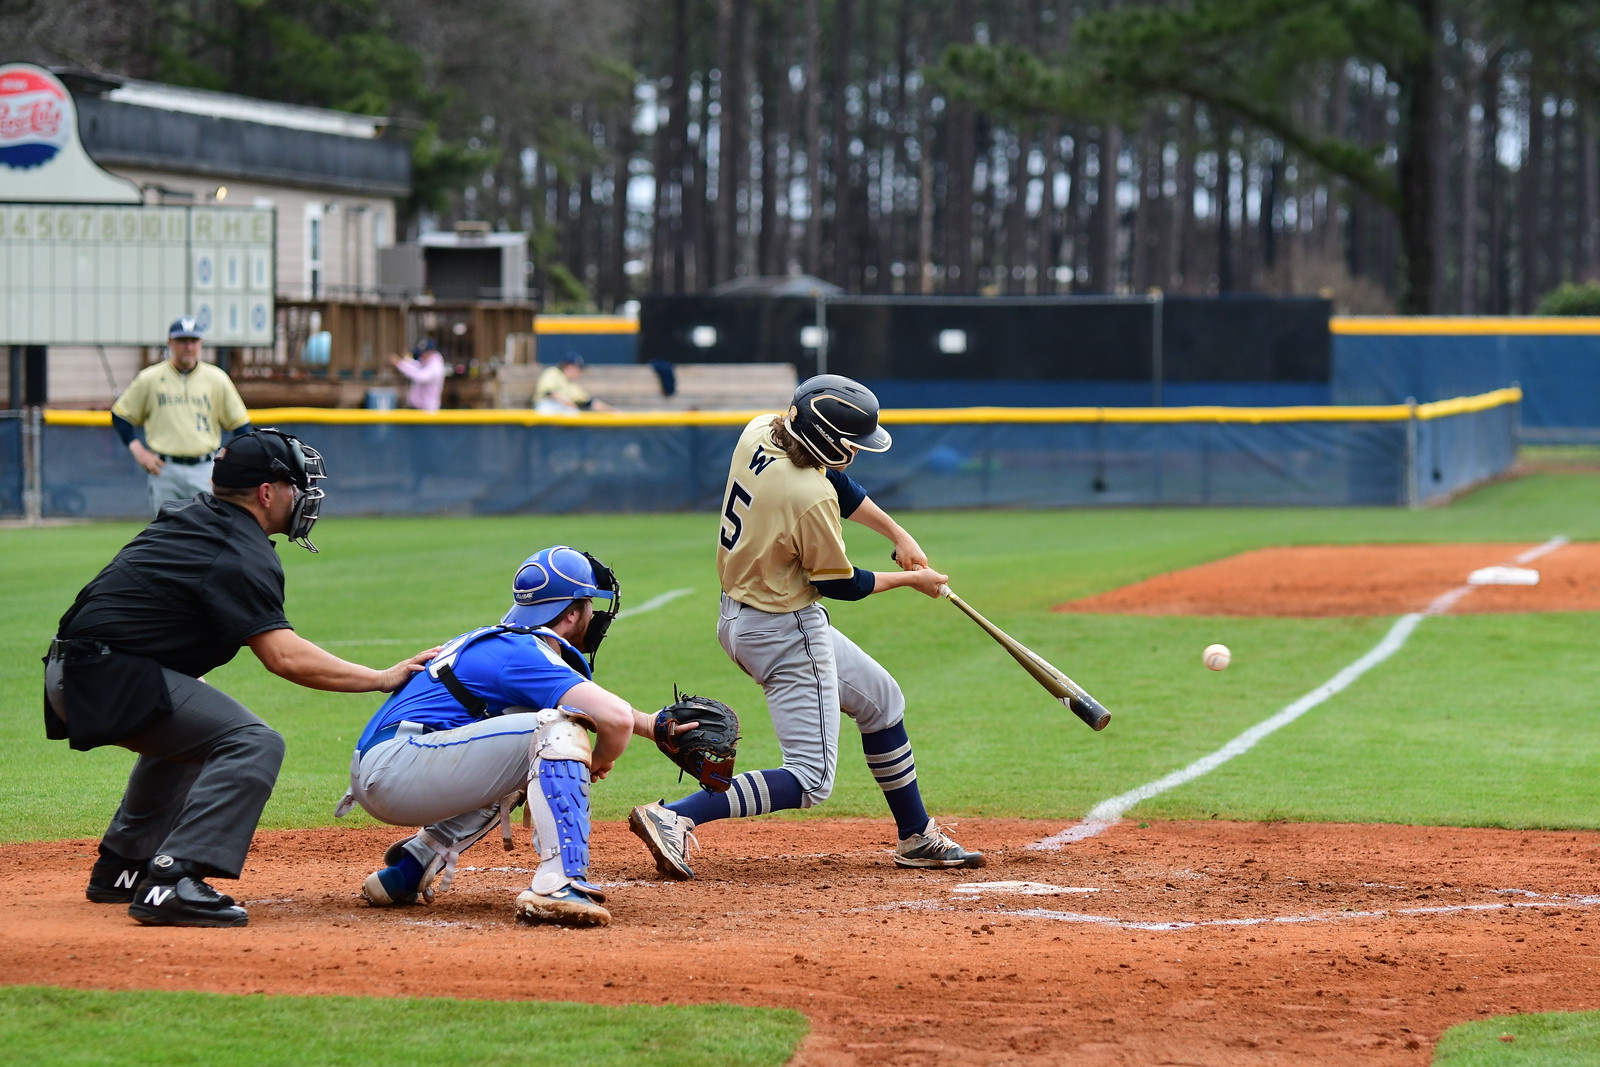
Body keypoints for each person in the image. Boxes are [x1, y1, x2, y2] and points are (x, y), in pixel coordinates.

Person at [42, 429, 438, 929]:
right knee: (252, 743)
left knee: (199, 721)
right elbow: (284, 657)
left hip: (75, 670)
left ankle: (122, 865)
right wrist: (382, 677)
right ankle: (173, 878)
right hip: (102, 674)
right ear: (267, 493)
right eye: (295, 485)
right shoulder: (239, 548)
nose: (304, 496)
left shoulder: (195, 517)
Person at [628, 374, 983, 879]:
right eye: (849, 445)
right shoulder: (807, 498)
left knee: (882, 701)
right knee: (810, 778)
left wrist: (897, 533)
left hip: (740, 612)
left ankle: (916, 836)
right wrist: (911, 580)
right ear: (825, 439)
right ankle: (676, 816)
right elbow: (840, 583)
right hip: (784, 629)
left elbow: (834, 479)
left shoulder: (761, 430)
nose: (854, 454)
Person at [339, 546, 706, 928]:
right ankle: (558, 882)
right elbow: (611, 717)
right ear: (571, 613)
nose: (594, 616)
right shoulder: (523, 651)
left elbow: (607, 708)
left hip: (395, 766)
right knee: (559, 728)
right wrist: (597, 758)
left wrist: (653, 725)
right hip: (401, 766)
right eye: (588, 606)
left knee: (536, 738)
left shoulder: (512, 643)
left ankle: (411, 867)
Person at [112, 316, 254, 518]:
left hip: (205, 470)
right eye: (182, 341)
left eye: (193, 341)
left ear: (200, 344)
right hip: (164, 470)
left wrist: (225, 464)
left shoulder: (216, 379)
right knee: (166, 539)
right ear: (170, 343)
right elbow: (120, 415)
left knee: (209, 535)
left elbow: (242, 426)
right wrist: (139, 452)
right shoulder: (150, 378)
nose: (188, 346)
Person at [534, 353, 613, 413]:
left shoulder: (572, 385)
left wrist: (614, 412)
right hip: (547, 404)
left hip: (562, 409)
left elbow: (591, 403)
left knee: (575, 414)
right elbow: (549, 393)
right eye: (578, 369)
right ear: (569, 367)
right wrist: (568, 403)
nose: (579, 372)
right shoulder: (553, 373)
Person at [389, 339, 447, 412]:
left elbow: (421, 376)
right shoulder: (427, 362)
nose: (422, 355)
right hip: (417, 409)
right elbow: (418, 366)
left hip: (428, 411)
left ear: (431, 352)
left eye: (424, 352)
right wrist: (406, 360)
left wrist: (400, 363)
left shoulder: (436, 366)